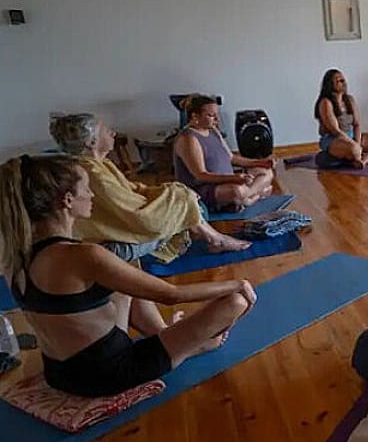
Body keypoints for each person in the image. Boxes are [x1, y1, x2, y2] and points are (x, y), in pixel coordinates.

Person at [0, 155, 256, 397]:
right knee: (235, 302)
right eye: (87, 189)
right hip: (110, 375)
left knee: (127, 267)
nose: (92, 196)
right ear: (67, 200)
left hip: (58, 373)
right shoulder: (84, 256)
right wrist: (237, 284)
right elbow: (171, 295)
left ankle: (166, 335)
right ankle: (189, 346)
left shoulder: (13, 256)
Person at [50, 113, 249, 262]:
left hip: (123, 231)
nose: (112, 132)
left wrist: (172, 191)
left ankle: (212, 237)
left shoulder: (100, 165)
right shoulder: (91, 173)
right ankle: (215, 239)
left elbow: (133, 190)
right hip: (112, 245)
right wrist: (178, 197)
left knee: (189, 204)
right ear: (91, 141)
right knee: (188, 208)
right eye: (106, 130)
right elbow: (137, 215)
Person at [173, 95, 275, 211]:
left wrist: (261, 163)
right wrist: (233, 178)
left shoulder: (213, 131)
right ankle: (254, 196)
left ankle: (246, 198)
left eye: (217, 115)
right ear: (195, 116)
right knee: (236, 191)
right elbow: (201, 176)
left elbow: (231, 158)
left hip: (229, 181)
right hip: (204, 189)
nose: (217, 119)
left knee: (266, 172)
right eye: (211, 115)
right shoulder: (188, 139)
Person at [315, 69, 368, 166]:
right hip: (334, 139)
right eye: (339, 81)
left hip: (351, 136)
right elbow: (336, 131)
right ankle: (358, 156)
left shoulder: (349, 99)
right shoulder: (326, 102)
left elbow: (357, 124)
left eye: (343, 80)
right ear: (330, 84)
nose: (343, 83)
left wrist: (357, 142)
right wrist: (356, 146)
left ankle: (363, 160)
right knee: (354, 149)